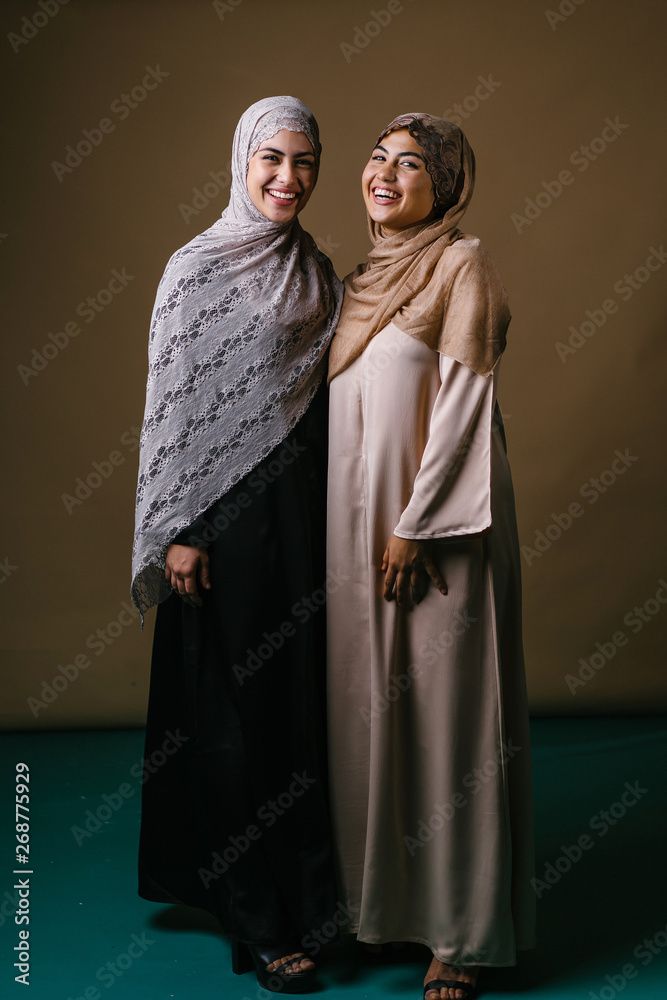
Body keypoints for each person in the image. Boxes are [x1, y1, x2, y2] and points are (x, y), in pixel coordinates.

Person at [131, 96, 343, 994]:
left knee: (298, 707)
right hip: (222, 523)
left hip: (303, 514)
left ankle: (314, 901)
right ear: (240, 161)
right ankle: (255, 918)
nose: (287, 179)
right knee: (230, 718)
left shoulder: (315, 267)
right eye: (271, 160)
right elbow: (173, 405)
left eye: (303, 163)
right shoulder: (195, 268)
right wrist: (179, 529)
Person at [326, 114, 535, 1000]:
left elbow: (461, 407)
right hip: (348, 537)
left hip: (430, 533)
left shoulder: (460, 264)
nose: (385, 173)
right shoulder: (357, 279)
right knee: (366, 720)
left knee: (448, 723)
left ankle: (462, 934)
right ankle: (383, 912)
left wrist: (415, 526)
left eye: (411, 164)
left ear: (445, 186)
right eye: (377, 157)